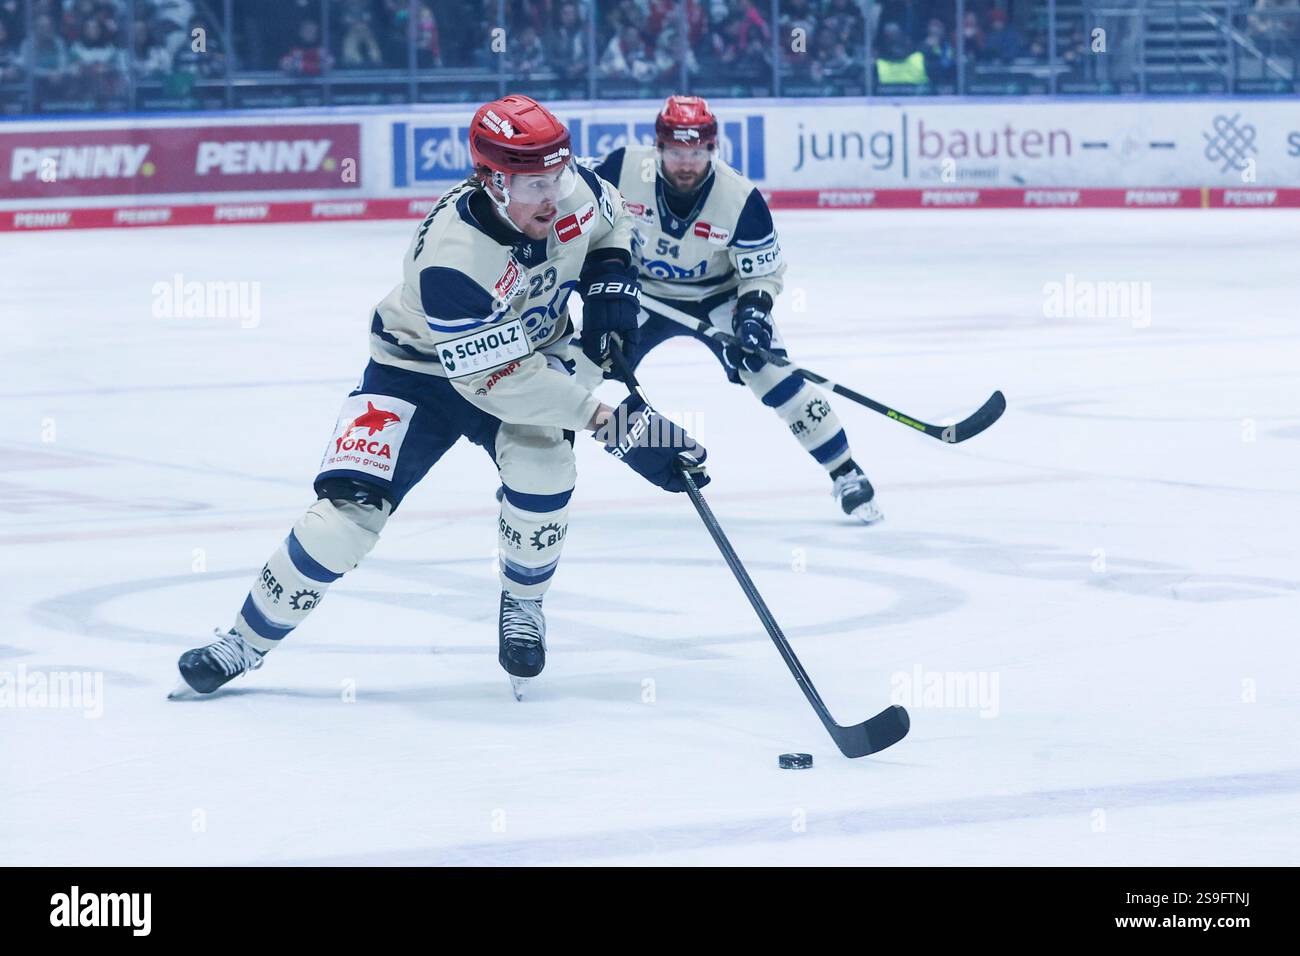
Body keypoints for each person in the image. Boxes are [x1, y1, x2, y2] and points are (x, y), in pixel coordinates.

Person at [171, 95, 707, 700]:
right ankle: (244, 641)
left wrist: (610, 285)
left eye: (558, 174)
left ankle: (523, 604)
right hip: (418, 372)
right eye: (535, 184)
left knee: (545, 469)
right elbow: (499, 385)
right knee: (344, 518)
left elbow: (614, 223)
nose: (554, 195)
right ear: (493, 181)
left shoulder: (571, 187)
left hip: (529, 352)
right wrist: (627, 429)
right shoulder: (454, 260)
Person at [591, 95, 883, 524]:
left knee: (777, 379)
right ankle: (533, 478)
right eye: (675, 152)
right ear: (659, 148)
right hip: (643, 293)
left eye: (696, 152)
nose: (685, 163)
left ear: (712, 149)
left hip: (718, 297)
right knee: (576, 370)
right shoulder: (620, 170)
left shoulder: (741, 199)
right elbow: (576, 204)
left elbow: (762, 274)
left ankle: (846, 472)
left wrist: (753, 317)